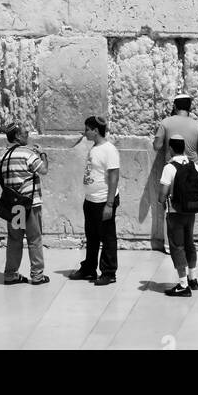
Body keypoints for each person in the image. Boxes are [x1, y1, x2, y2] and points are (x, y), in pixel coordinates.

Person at [0, 123, 49, 286]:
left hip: (15, 206)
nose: (28, 135)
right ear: (17, 137)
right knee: (34, 239)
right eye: (25, 133)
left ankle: (11, 274)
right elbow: (44, 170)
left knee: (14, 239)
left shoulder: (3, 157)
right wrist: (42, 154)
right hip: (30, 204)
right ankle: (37, 275)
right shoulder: (28, 154)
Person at [70, 115, 120, 286]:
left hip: (104, 201)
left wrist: (109, 203)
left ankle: (109, 272)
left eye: (87, 130)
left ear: (96, 130)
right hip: (91, 200)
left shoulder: (109, 149)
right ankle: (89, 268)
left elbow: (114, 177)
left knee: (107, 237)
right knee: (91, 236)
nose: (85, 133)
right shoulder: (95, 148)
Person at [159, 136, 198, 297]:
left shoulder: (169, 167)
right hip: (190, 211)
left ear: (171, 149)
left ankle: (183, 285)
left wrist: (163, 202)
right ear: (183, 148)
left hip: (175, 213)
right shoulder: (193, 165)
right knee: (189, 243)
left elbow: (162, 195)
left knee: (177, 246)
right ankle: (193, 278)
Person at [153, 95, 198, 168]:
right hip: (192, 171)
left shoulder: (165, 123)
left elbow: (157, 146)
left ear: (175, 106)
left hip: (172, 169)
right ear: (189, 108)